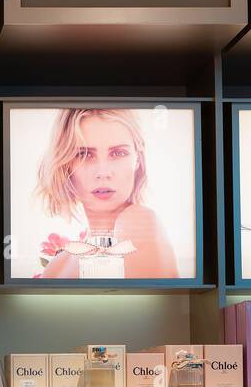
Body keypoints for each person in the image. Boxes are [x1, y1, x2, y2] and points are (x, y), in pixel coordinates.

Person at [32, 108, 178, 280]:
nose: (103, 172)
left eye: (118, 153)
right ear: (65, 164)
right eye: (84, 154)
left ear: (137, 159)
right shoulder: (57, 266)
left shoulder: (139, 221)